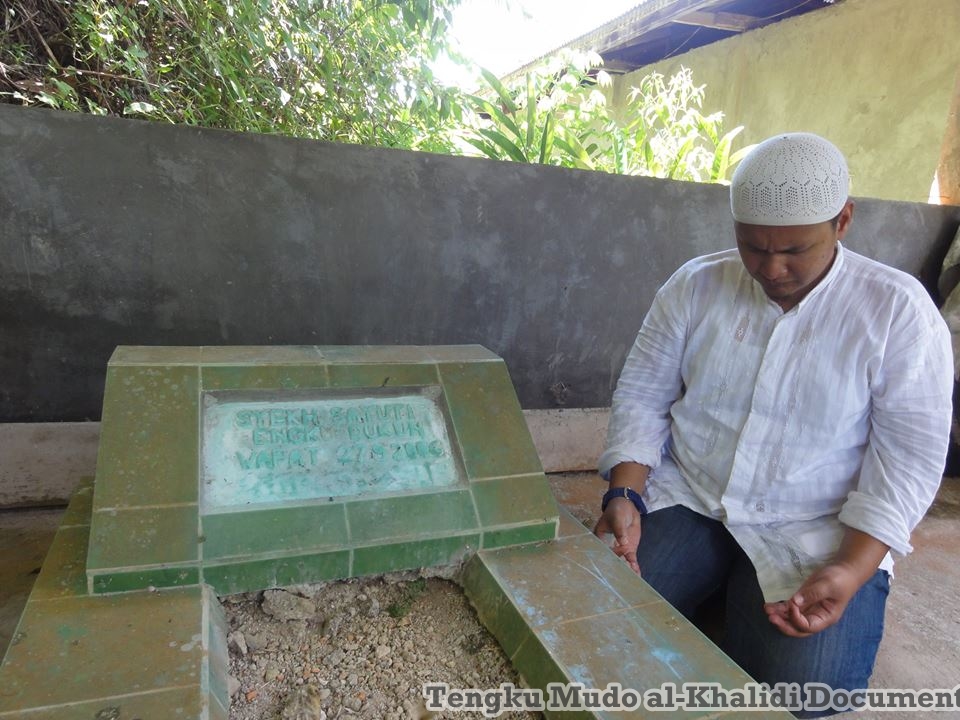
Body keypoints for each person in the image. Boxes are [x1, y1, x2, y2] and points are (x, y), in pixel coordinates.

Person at [594, 132, 953, 717]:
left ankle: (730, 601)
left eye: (794, 250)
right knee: (595, 613)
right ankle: (723, 593)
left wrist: (849, 568)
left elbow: (907, 459)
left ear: (843, 221)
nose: (772, 268)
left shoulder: (897, 310)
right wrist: (625, 493)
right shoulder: (695, 285)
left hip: (817, 527)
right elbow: (642, 394)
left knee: (804, 695)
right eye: (753, 247)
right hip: (693, 499)